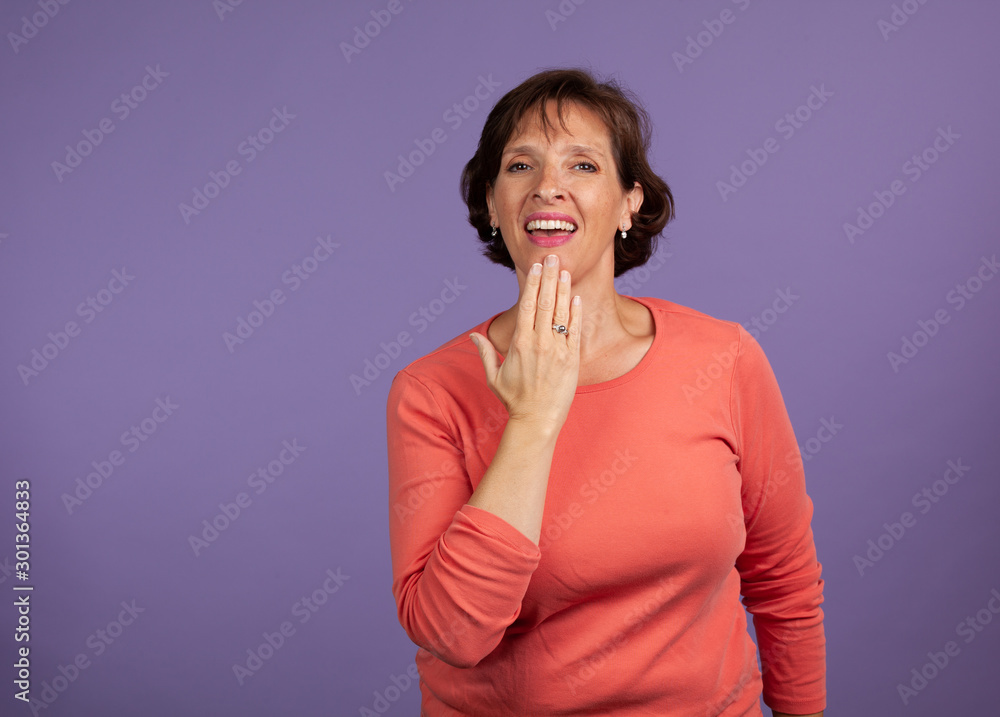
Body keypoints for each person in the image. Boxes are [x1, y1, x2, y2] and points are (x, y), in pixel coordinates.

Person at [386, 68, 825, 716]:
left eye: (583, 165)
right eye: (519, 166)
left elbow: (783, 578)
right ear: (490, 202)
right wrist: (531, 422)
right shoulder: (430, 390)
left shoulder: (724, 359)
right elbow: (454, 633)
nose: (547, 188)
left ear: (629, 203)